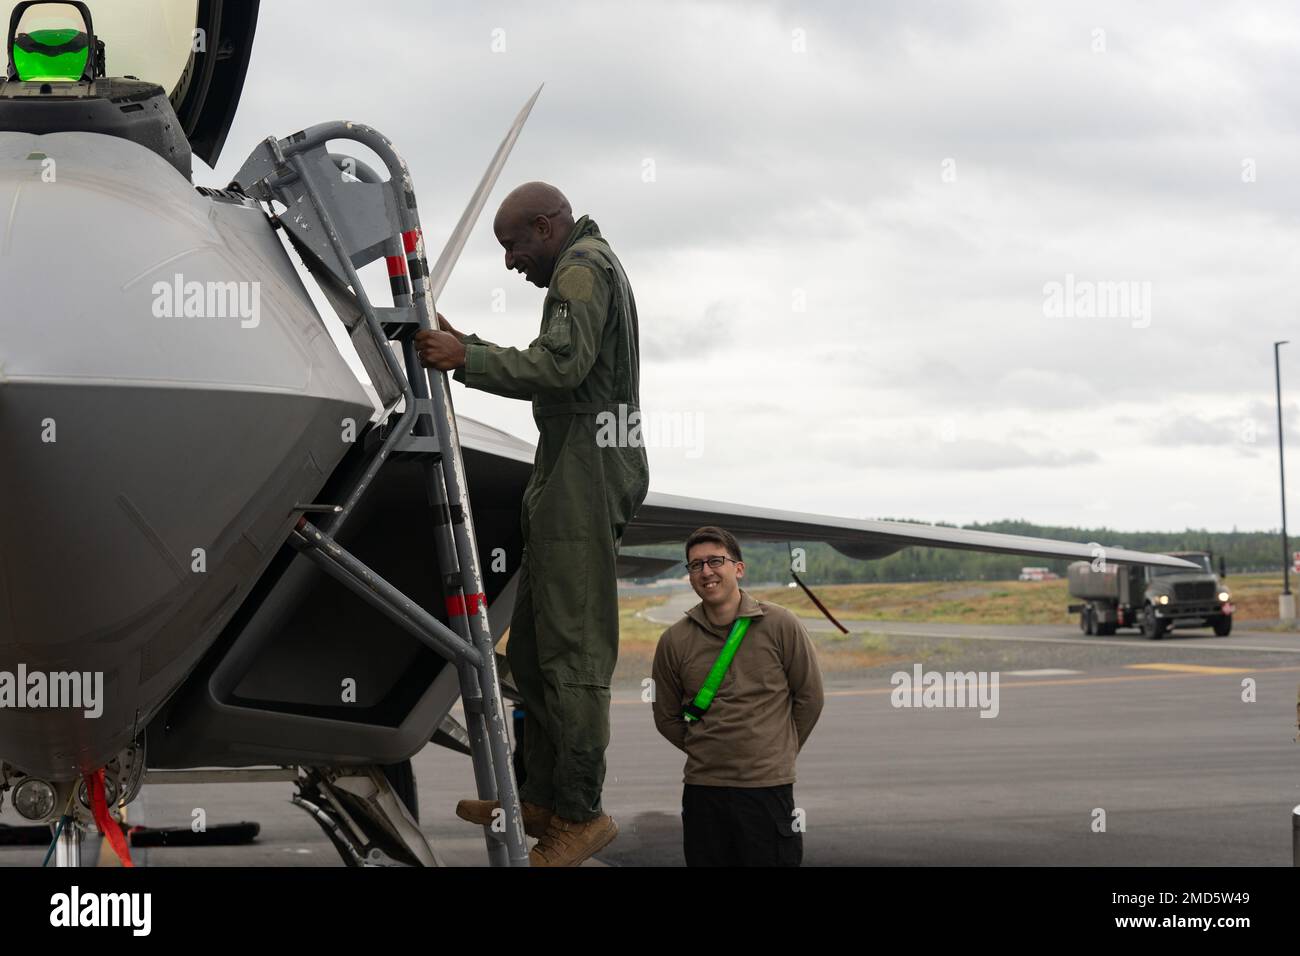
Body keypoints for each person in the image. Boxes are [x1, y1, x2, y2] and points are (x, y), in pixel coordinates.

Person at [416, 182, 648, 866]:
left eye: (515, 244)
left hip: (587, 467)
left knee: (572, 656)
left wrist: (470, 360)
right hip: (569, 459)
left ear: (548, 226)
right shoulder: (588, 266)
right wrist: (473, 347)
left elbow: (565, 365)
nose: (513, 262)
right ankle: (544, 797)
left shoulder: (581, 268)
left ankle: (582, 813)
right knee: (539, 654)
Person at [651, 526, 824, 866]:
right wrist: (708, 749)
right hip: (704, 790)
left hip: (766, 789)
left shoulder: (780, 624)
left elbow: (810, 697)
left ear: (738, 568)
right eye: (696, 565)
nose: (706, 572)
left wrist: (776, 751)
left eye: (716, 561)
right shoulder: (674, 640)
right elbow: (666, 716)